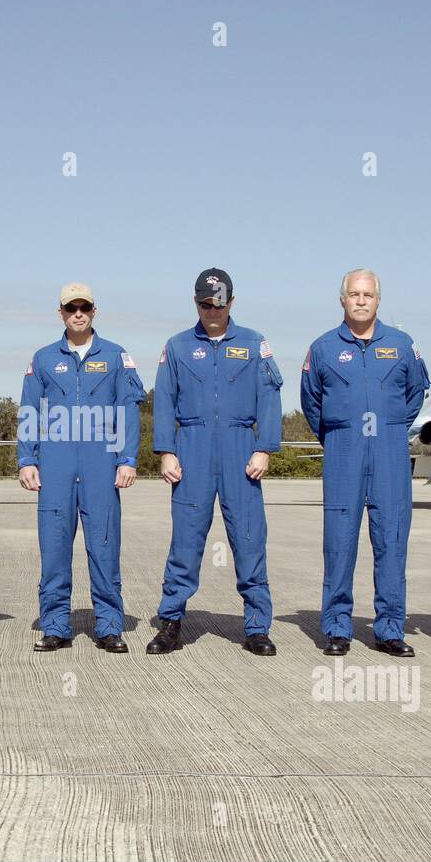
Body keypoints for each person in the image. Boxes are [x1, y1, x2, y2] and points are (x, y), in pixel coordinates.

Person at [149, 268, 284, 656]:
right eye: (205, 304)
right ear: (196, 303)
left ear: (231, 302)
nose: (212, 310)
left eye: (219, 303)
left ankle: (256, 627)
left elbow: (270, 397)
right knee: (186, 540)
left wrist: (264, 448)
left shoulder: (255, 344)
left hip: (241, 448)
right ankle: (171, 622)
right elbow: (164, 400)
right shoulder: (177, 347)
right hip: (192, 447)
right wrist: (167, 451)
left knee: (249, 539)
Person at [300, 269, 430, 657]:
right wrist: (338, 434)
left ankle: (390, 629)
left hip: (389, 451)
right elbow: (311, 401)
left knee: (391, 541)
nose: (361, 300)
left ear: (378, 300)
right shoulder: (322, 348)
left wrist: (391, 427)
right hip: (344, 451)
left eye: (367, 294)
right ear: (342, 299)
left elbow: (415, 394)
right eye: (354, 294)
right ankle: (337, 627)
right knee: (339, 543)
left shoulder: (402, 345)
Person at [19, 283, 145, 652]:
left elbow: (128, 410)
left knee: (104, 547)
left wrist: (127, 458)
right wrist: (27, 459)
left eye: (84, 307)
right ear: (60, 313)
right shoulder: (43, 358)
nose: (78, 314)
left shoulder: (116, 356)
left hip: (100, 463)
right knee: (55, 548)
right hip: (56, 464)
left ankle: (109, 626)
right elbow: (29, 410)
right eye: (71, 308)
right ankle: (55, 626)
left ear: (94, 311)